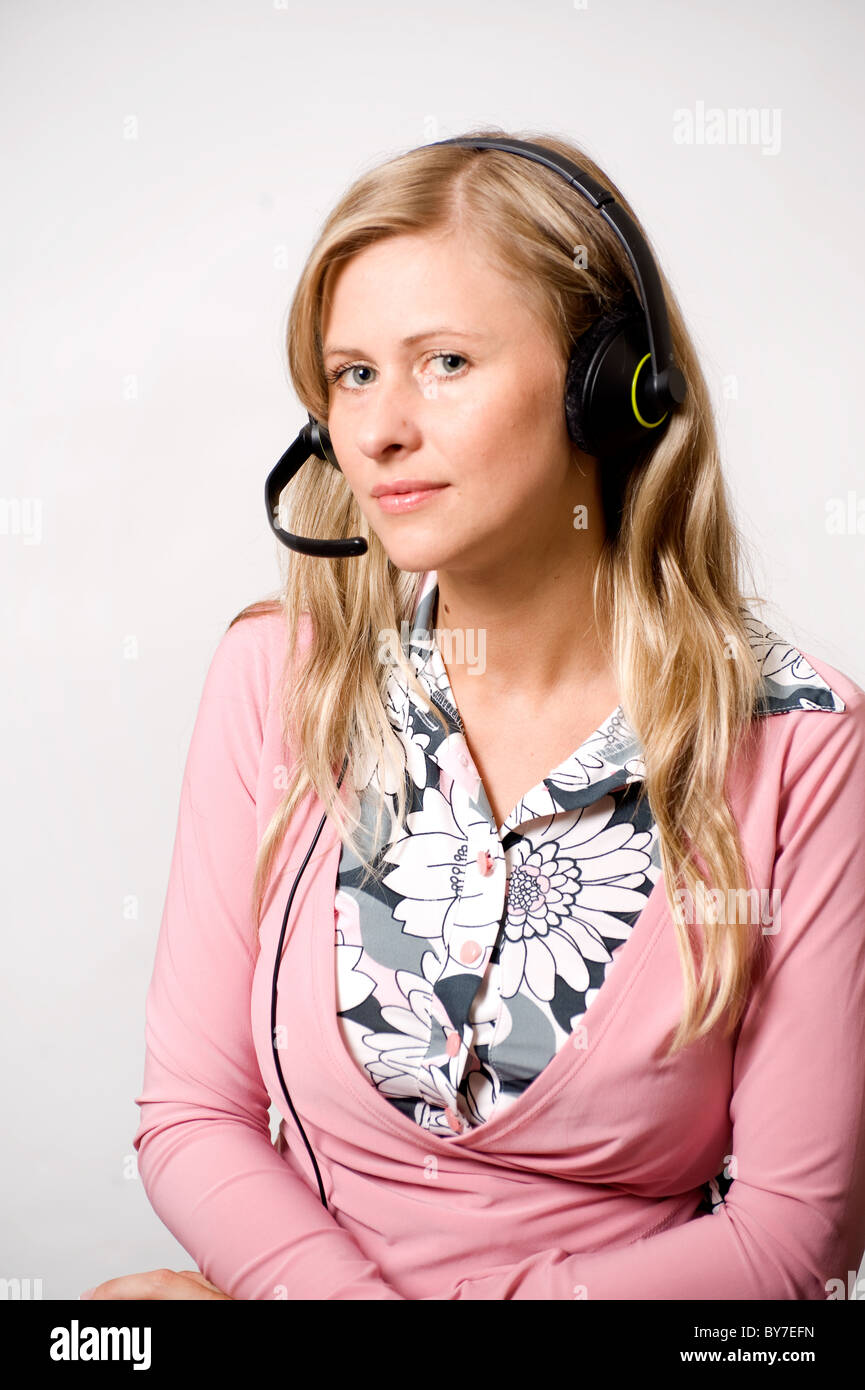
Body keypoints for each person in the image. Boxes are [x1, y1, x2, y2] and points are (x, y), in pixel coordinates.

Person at [83, 127, 865, 1302]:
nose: (380, 430)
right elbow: (194, 1112)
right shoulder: (278, 679)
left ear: (612, 389)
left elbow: (791, 1236)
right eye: (352, 374)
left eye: (443, 361)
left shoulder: (800, 738)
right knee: (124, 1320)